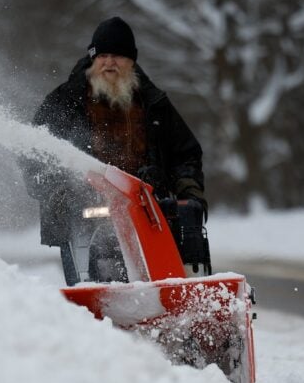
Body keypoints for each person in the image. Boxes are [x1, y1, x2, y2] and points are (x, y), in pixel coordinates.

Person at [22, 16, 207, 280]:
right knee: (87, 286)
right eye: (103, 55)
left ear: (131, 61)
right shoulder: (65, 102)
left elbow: (185, 152)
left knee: (170, 265)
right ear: (93, 59)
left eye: (118, 55)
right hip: (83, 213)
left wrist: (189, 193)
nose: (110, 62)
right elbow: (33, 152)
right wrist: (56, 190)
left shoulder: (153, 103)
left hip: (147, 209)